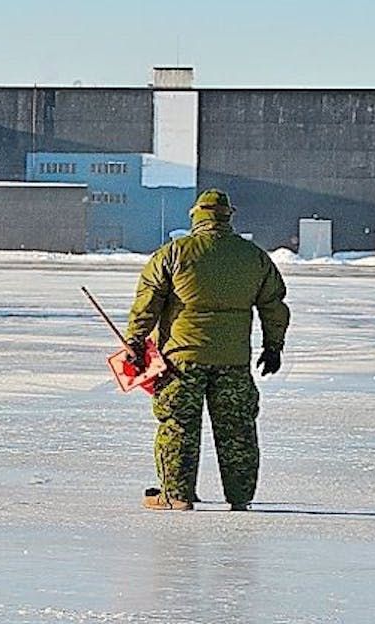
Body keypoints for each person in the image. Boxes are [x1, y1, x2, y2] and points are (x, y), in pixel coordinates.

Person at [124, 189, 289, 511]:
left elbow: (147, 304)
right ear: (228, 216)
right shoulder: (253, 256)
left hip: (181, 361)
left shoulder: (172, 254)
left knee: (178, 425)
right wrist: (274, 347)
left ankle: (177, 495)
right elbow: (274, 306)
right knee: (238, 429)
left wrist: (135, 342)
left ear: (195, 216)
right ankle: (240, 498)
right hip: (234, 360)